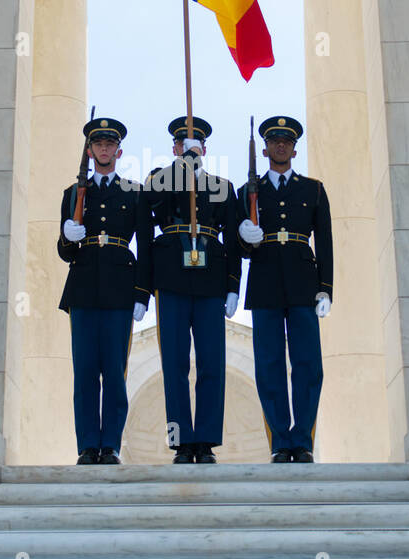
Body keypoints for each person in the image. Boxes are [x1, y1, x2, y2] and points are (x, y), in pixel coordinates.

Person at [137, 117, 241, 463]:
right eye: (183, 145)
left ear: (206, 150)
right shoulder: (161, 180)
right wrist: (180, 169)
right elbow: (144, 208)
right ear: (175, 148)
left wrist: (232, 286)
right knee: (174, 364)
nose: (190, 149)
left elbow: (234, 242)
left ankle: (207, 440)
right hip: (171, 280)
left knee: (212, 363)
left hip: (211, 279)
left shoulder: (222, 186)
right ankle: (180, 441)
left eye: (195, 146)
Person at [236, 116, 332, 463]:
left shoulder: (313, 189)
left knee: (308, 363)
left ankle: (302, 439)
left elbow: (325, 242)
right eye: (274, 140)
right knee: (269, 364)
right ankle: (279, 439)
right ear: (264, 149)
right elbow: (239, 245)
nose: (280, 146)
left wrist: (326, 288)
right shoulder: (247, 191)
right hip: (264, 282)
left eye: (286, 141)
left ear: (294, 148)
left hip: (304, 282)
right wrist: (245, 240)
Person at [58, 117, 148, 465]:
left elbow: (145, 248)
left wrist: (141, 294)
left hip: (120, 290)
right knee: (84, 371)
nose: (105, 148)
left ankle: (109, 443)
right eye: (98, 144)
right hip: (82, 288)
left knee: (113, 370)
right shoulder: (73, 194)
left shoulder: (133, 192)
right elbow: (65, 253)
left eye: (110, 144)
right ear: (90, 150)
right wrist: (69, 235)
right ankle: (86, 446)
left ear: (119, 150)